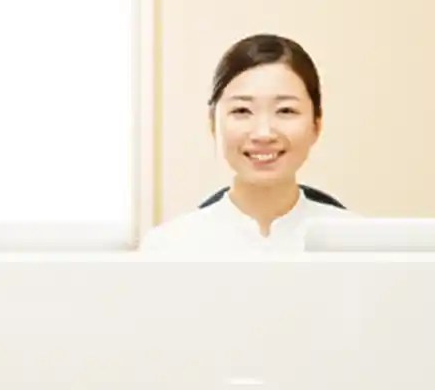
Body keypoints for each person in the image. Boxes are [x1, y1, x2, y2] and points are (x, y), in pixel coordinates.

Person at [140, 33, 351, 252]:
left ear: (316, 125)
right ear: (213, 123)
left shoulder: (356, 244)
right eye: (242, 110)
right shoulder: (168, 247)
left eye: (285, 110)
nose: (263, 133)